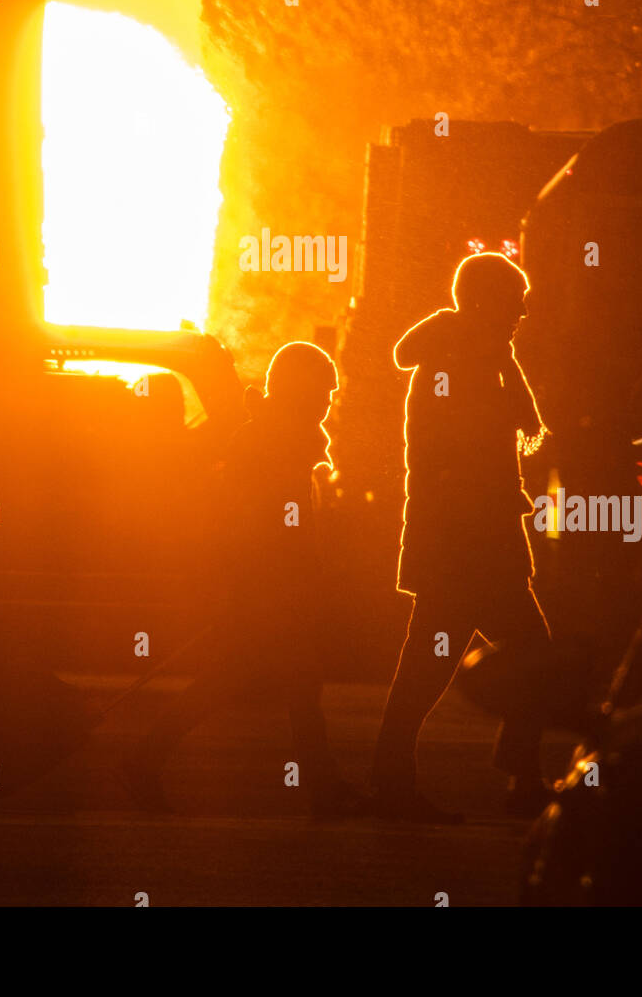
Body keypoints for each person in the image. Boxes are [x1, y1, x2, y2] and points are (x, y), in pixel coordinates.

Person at [121, 342, 362, 817]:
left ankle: (146, 758)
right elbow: (266, 522)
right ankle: (323, 786)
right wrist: (288, 573)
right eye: (322, 392)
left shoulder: (278, 436)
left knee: (255, 680)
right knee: (281, 680)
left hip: (269, 583)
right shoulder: (275, 442)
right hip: (266, 586)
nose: (328, 402)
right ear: (299, 391)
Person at [370, 252, 553, 823]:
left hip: (475, 547)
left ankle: (513, 774)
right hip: (465, 550)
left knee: (438, 667)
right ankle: (514, 774)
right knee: (523, 657)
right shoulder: (460, 362)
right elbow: (457, 462)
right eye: (513, 301)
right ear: (484, 301)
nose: (522, 313)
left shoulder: (479, 359)